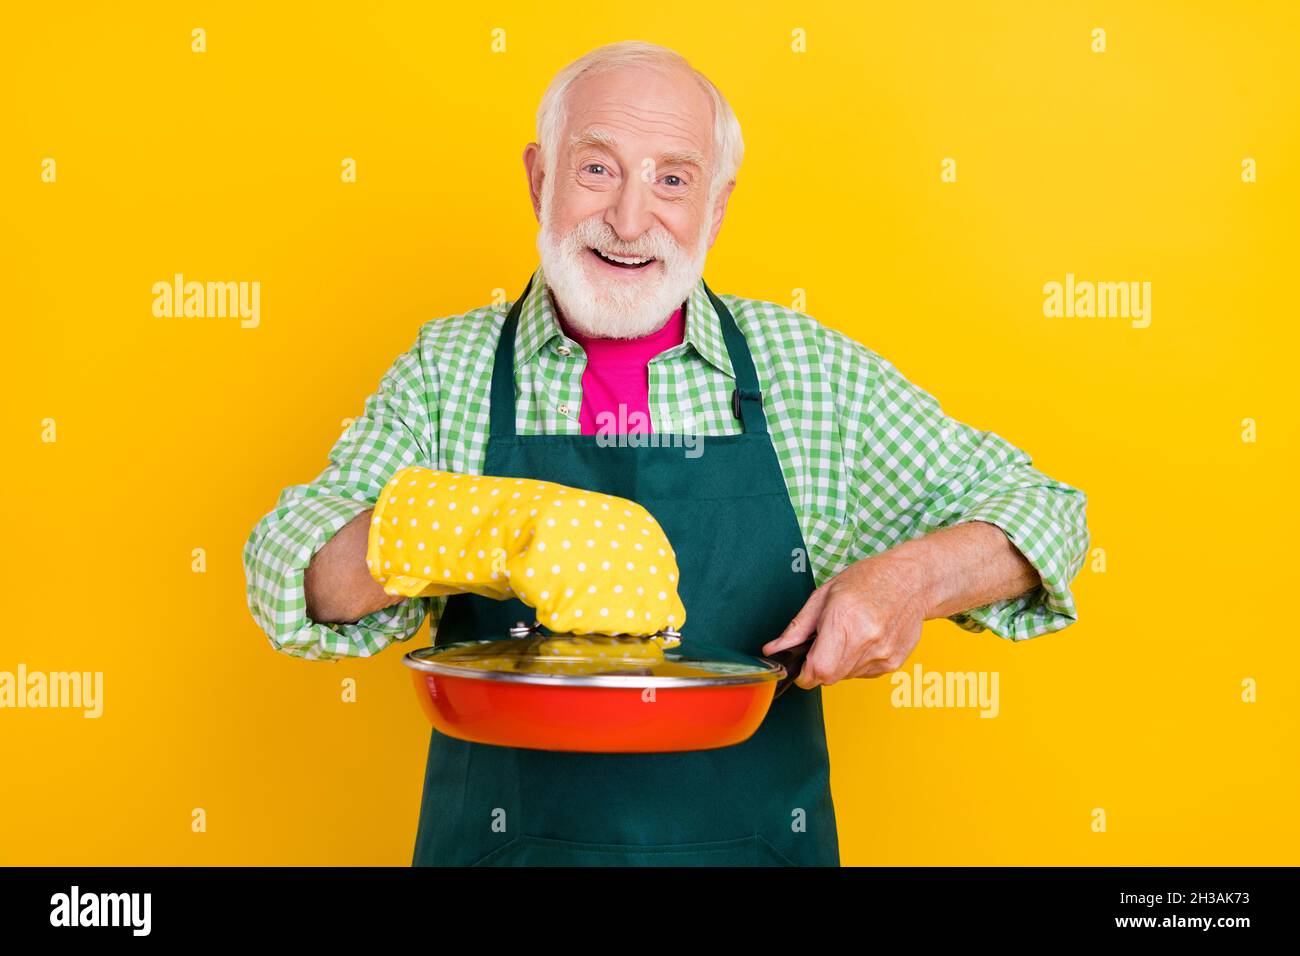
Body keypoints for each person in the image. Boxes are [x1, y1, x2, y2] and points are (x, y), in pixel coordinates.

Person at [243, 40, 1090, 866]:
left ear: (716, 209)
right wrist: (496, 528)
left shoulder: (811, 375)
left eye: (673, 180)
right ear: (541, 180)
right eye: (598, 168)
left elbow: (1043, 513)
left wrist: (910, 580)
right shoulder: (448, 370)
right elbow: (290, 570)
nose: (629, 217)